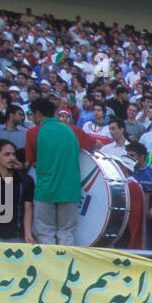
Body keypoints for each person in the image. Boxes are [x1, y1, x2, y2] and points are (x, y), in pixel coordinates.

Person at [24, 98, 102, 245]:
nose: (32, 118)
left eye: (32, 115)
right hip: (70, 190)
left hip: (45, 190)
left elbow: (32, 162)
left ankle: (49, 267)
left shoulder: (32, 133)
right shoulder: (73, 131)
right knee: (67, 233)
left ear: (38, 114)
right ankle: (66, 266)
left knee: (45, 232)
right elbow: (96, 145)